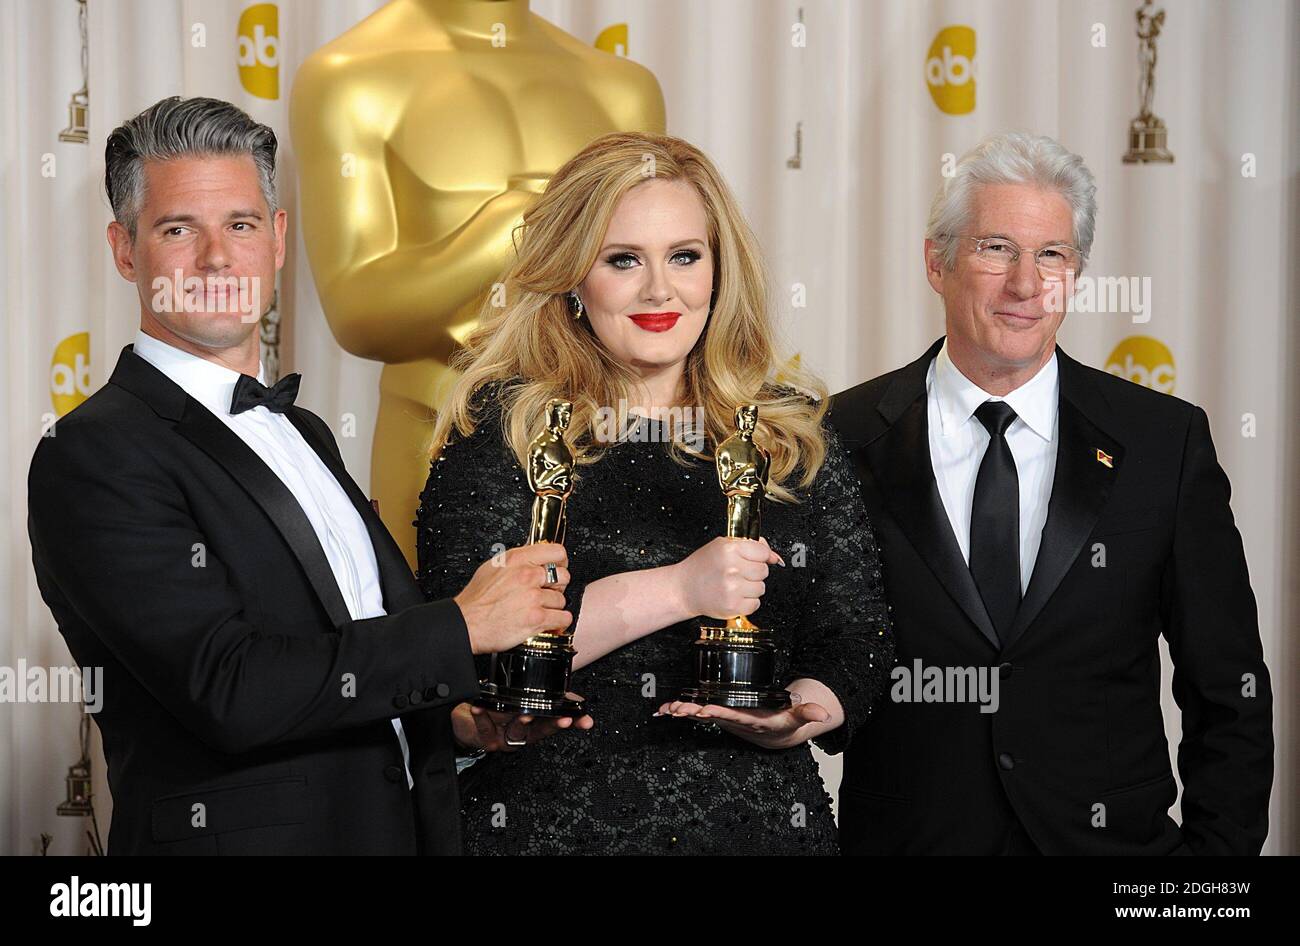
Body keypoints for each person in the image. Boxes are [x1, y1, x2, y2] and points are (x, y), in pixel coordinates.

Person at [27, 96, 587, 856]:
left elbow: (350, 661)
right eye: (178, 229)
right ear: (126, 251)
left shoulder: (304, 432)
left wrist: (456, 724)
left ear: (279, 238)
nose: (218, 259)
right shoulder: (92, 453)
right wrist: (461, 625)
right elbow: (229, 688)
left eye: (241, 224)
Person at [417, 131, 894, 854]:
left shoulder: (786, 432)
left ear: (718, 269)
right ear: (574, 277)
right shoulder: (503, 430)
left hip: (758, 827)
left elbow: (856, 636)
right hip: (547, 827)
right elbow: (460, 654)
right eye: (622, 261)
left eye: (684, 256)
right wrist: (681, 588)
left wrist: (800, 710)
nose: (659, 290)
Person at [830, 131, 1273, 855]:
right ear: (936, 261)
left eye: (1052, 256)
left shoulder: (1164, 443)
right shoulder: (840, 437)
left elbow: (1229, 692)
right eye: (996, 248)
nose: (1026, 285)